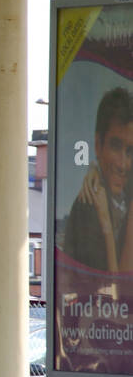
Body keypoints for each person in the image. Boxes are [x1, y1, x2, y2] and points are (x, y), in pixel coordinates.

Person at [65, 87, 133, 271]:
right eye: (115, 146)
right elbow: (111, 294)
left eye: (129, 151)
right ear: (97, 145)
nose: (123, 163)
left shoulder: (128, 197)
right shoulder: (86, 208)